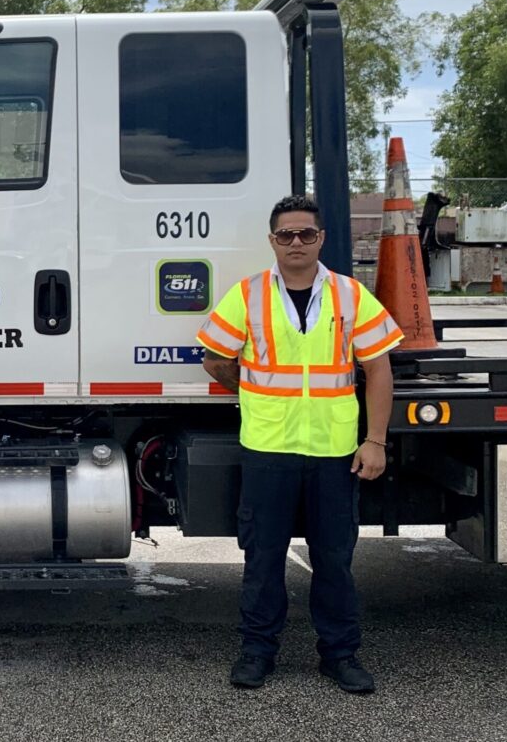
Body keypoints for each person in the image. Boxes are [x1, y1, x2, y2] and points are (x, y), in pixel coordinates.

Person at [196, 194, 404, 694]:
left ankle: (340, 655)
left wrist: (375, 441)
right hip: (268, 448)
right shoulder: (247, 295)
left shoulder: (351, 294)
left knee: (334, 559)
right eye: (286, 234)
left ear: (321, 239)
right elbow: (215, 358)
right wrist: (254, 391)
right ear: (272, 240)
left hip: (334, 452)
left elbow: (378, 370)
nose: (296, 242)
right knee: (263, 557)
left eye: (306, 234)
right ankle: (257, 652)